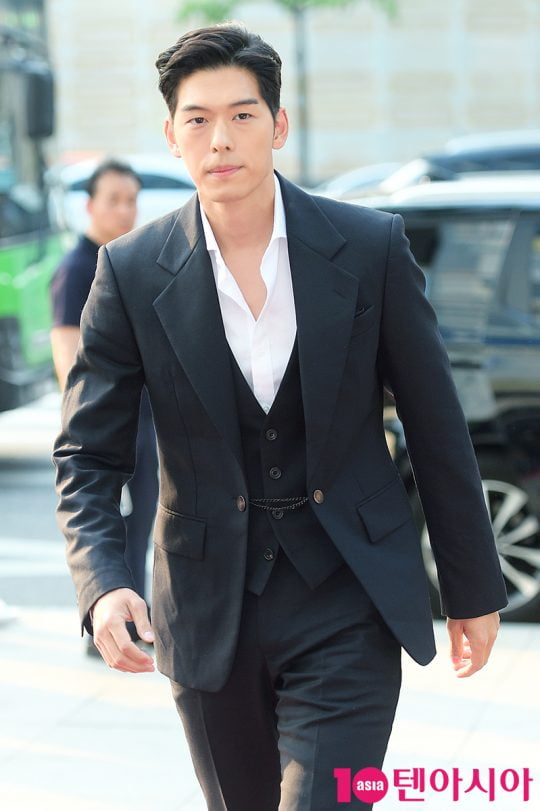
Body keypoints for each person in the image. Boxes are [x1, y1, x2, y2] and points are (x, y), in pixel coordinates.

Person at [53, 24, 508, 811]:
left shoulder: (368, 247)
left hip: (349, 595)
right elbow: (88, 453)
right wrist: (102, 582)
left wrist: (472, 585)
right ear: (172, 135)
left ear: (279, 124)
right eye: (198, 120)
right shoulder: (128, 272)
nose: (220, 139)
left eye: (242, 115)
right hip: (207, 606)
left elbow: (436, 423)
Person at [50, 160, 158, 655]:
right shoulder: (78, 268)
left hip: (145, 421)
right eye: (113, 200)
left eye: (131, 200)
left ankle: (135, 621)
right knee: (113, 524)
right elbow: (67, 356)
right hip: (109, 426)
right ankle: (111, 626)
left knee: (144, 522)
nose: (124, 210)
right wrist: (85, 427)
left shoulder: (130, 261)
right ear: (91, 206)